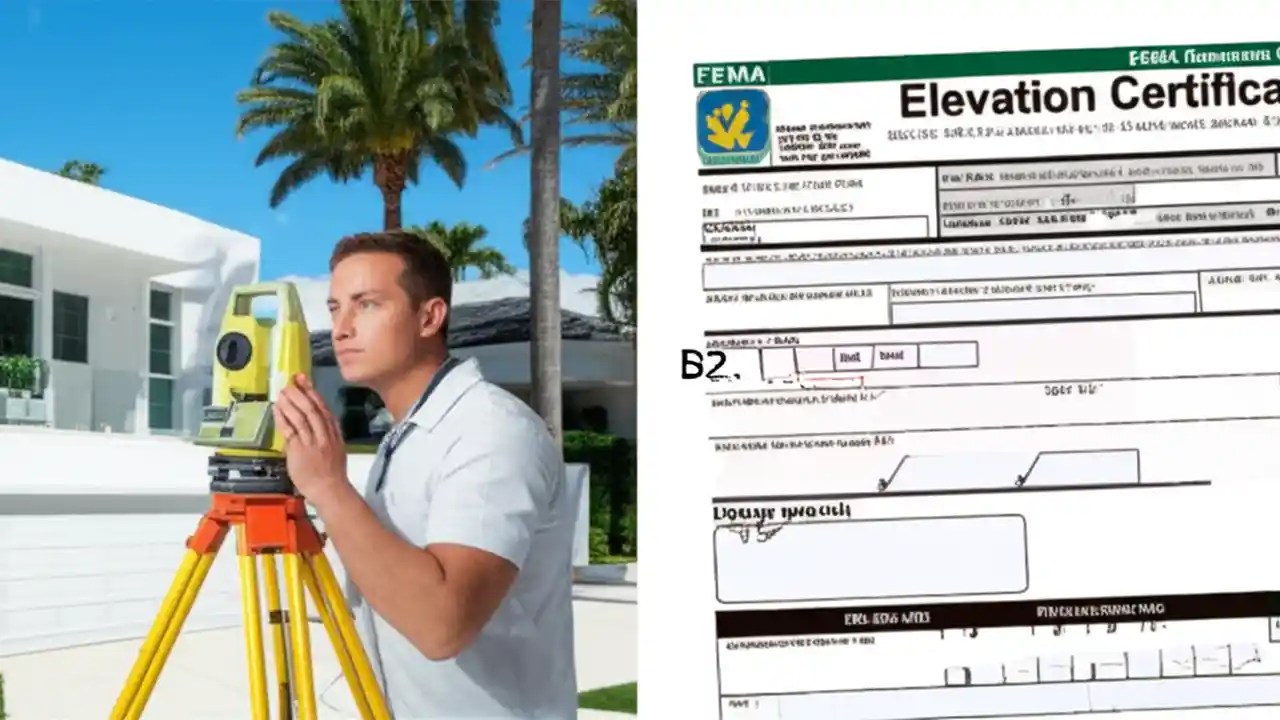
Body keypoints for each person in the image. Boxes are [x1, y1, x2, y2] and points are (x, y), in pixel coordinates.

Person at [271, 230, 579, 718]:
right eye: (334, 308)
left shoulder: (490, 429)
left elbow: (441, 626)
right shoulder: (406, 435)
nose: (341, 328)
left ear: (429, 317)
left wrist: (328, 487)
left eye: (366, 304)